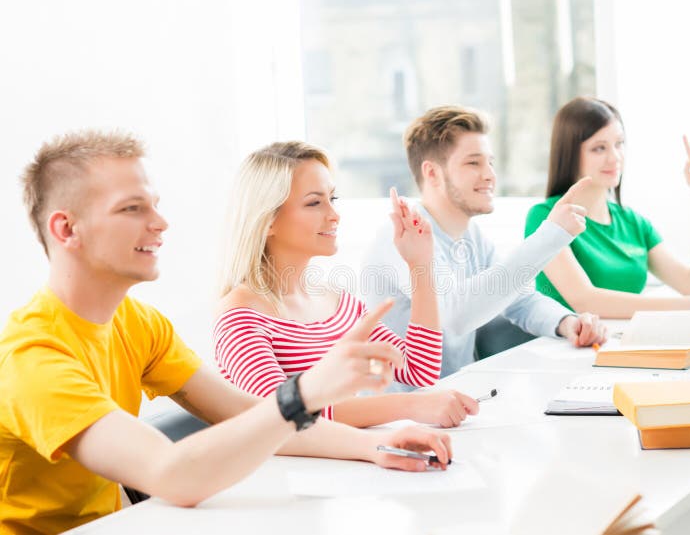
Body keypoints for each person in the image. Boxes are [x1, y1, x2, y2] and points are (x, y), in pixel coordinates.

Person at [0, 130, 452, 535]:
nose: (160, 223)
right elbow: (172, 475)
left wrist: (374, 445)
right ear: (66, 229)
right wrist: (308, 392)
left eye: (155, 205)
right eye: (132, 209)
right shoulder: (32, 359)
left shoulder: (137, 323)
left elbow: (250, 414)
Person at [215, 141, 479, 429]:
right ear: (267, 220)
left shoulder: (341, 306)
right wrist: (410, 405)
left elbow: (416, 370)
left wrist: (420, 265)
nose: (334, 214)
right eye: (314, 203)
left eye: (333, 198)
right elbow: (282, 418)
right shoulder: (239, 318)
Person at [361, 105, 607, 386]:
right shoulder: (401, 239)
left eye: (490, 162)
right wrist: (550, 236)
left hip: (453, 399)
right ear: (432, 173)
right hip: (402, 416)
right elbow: (454, 315)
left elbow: (519, 299)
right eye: (474, 163)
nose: (490, 174)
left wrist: (566, 323)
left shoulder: (471, 236)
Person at [524, 96, 690, 318]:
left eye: (619, 143)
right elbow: (585, 301)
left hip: (623, 343)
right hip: (564, 348)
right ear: (569, 154)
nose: (615, 157)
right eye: (599, 148)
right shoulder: (546, 218)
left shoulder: (633, 223)